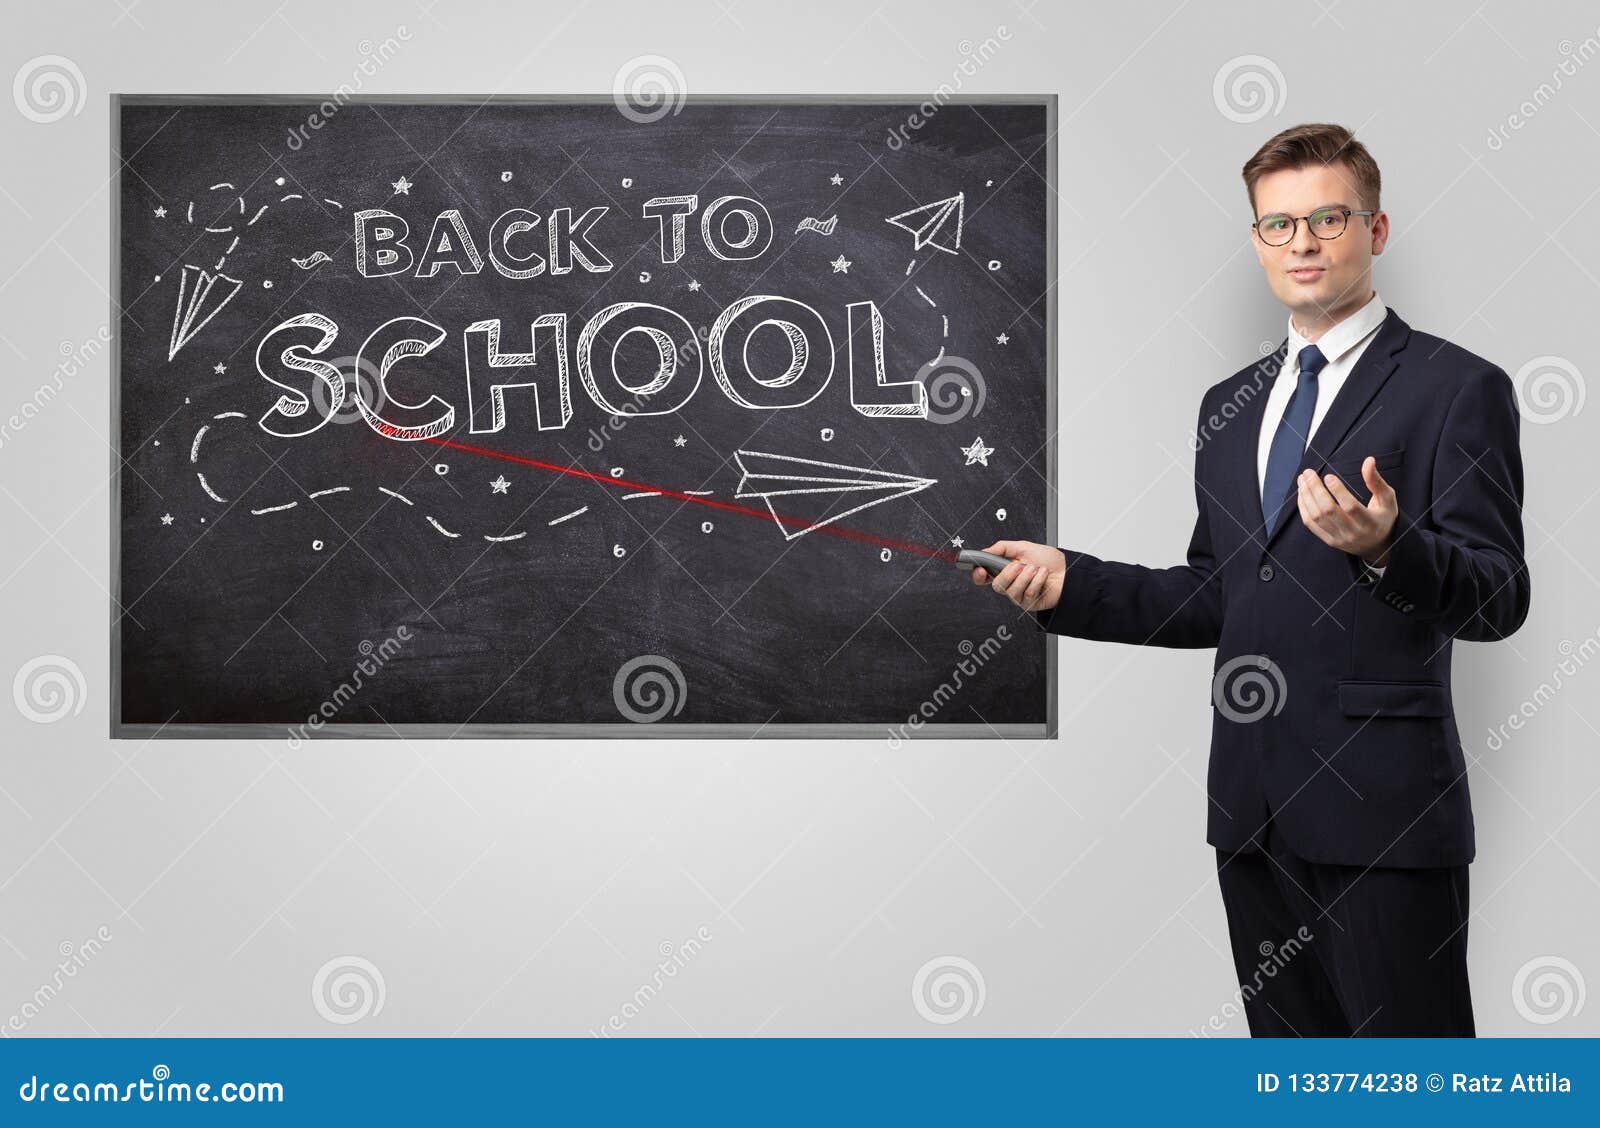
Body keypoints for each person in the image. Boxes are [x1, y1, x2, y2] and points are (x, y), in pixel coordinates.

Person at [973, 123, 1530, 1037]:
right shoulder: (1228, 407)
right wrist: (1071, 582)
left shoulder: (1455, 387)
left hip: (1385, 810)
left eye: (1327, 219)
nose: (1302, 244)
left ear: (1376, 231)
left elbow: (1501, 598)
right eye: (1278, 225)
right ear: (1257, 241)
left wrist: (1390, 546)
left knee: (1415, 1088)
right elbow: (1219, 592)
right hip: (1252, 809)